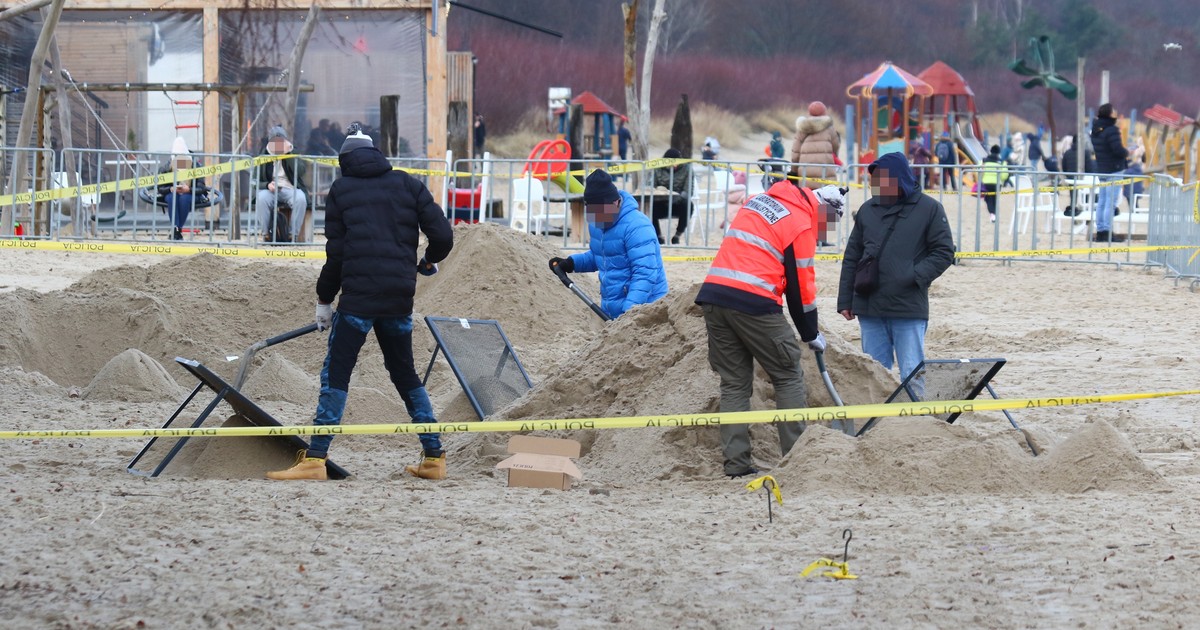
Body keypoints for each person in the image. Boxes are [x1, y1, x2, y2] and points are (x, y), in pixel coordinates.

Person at [267, 128, 454, 481]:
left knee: (336, 374)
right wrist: (428, 261)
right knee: (405, 374)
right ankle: (434, 456)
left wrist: (324, 299)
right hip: (399, 297)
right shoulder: (408, 184)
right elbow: (443, 236)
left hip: (357, 301)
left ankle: (315, 459)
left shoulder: (342, 190)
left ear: (344, 162)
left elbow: (335, 253)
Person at [695, 175, 847, 478]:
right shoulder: (801, 223)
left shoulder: (759, 201)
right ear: (823, 212)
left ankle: (736, 465)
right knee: (788, 373)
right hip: (754, 302)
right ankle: (797, 460)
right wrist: (810, 333)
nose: (824, 233)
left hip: (714, 296)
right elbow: (801, 288)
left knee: (734, 382)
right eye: (827, 225)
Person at [837, 152, 955, 388]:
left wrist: (913, 276)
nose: (875, 186)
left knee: (912, 372)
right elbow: (852, 257)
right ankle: (879, 422)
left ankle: (916, 421)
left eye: (881, 180)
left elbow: (944, 252)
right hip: (869, 305)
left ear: (898, 179)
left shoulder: (929, 209)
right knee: (875, 373)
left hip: (907, 305)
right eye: (873, 181)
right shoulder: (867, 210)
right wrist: (845, 300)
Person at [548, 169, 667, 319]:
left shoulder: (637, 226)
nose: (597, 217)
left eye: (602, 211)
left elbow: (645, 274)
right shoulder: (597, 224)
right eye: (593, 210)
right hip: (613, 309)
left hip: (645, 310)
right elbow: (600, 256)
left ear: (616, 202)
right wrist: (571, 263)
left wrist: (630, 312)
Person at [255, 126, 308, 242]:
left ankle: (292, 234)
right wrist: (267, 185)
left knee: (301, 199)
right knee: (261, 198)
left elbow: (300, 171)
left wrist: (288, 154)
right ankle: (266, 234)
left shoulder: (292, 151)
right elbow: (255, 180)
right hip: (271, 189)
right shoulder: (263, 154)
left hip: (290, 187)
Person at [155, 137, 210, 241]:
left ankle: (177, 229)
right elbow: (161, 188)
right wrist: (170, 188)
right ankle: (176, 229)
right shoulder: (166, 168)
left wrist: (189, 189)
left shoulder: (196, 166)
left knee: (184, 199)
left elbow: (201, 187)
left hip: (190, 194)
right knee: (172, 198)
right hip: (172, 193)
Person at [1090, 103, 1130, 242]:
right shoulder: (1111, 130)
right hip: (1114, 168)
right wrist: (1128, 152)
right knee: (1110, 202)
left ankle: (1101, 230)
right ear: (1110, 114)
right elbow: (1117, 150)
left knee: (1102, 201)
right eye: (1114, 111)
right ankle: (1107, 231)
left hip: (1102, 168)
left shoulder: (1095, 129)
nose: (1116, 113)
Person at [789, 101, 840, 181]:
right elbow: (835, 147)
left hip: (805, 172)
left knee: (806, 193)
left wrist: (794, 170)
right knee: (826, 192)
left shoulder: (802, 129)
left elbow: (795, 153)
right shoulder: (830, 129)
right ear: (824, 112)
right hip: (825, 171)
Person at [650, 147, 692, 244]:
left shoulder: (687, 168)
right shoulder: (657, 168)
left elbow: (688, 190)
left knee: (689, 205)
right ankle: (658, 236)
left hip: (678, 202)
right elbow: (651, 186)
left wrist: (676, 198)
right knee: (649, 206)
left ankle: (677, 235)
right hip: (660, 201)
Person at [979, 144, 1008, 223]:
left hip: (986, 182)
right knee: (995, 198)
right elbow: (1004, 175)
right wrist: (1001, 179)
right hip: (997, 184)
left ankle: (992, 214)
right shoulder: (1002, 162)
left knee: (988, 199)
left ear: (990, 151)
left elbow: (979, 170)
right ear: (999, 152)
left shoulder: (984, 160)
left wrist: (982, 178)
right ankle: (994, 214)